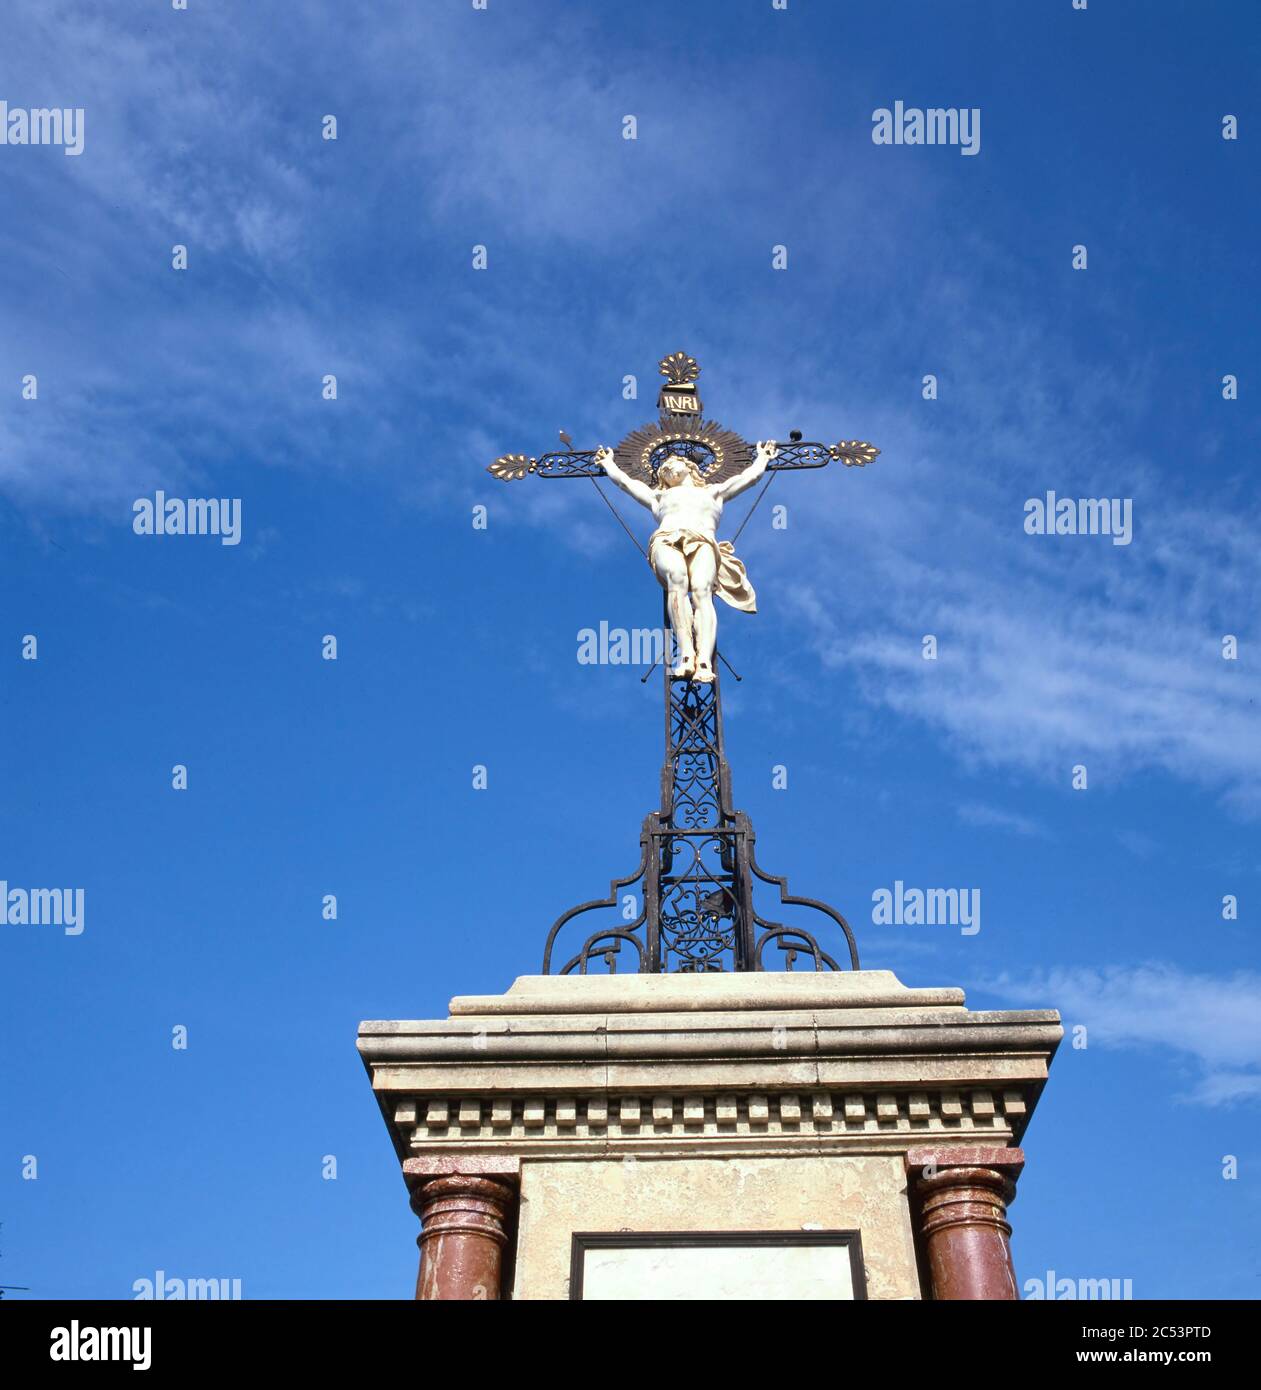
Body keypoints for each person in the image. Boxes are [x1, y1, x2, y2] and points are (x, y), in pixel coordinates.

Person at [594, 440, 778, 682]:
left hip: (702, 540)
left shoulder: (713, 492)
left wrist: (763, 457)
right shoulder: (658, 496)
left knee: (702, 591)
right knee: (677, 583)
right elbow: (626, 483)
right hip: (666, 539)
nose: (667, 469)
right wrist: (608, 464)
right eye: (663, 469)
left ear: (690, 467)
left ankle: (703, 660)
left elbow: (749, 478)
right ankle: (686, 654)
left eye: (672, 463)